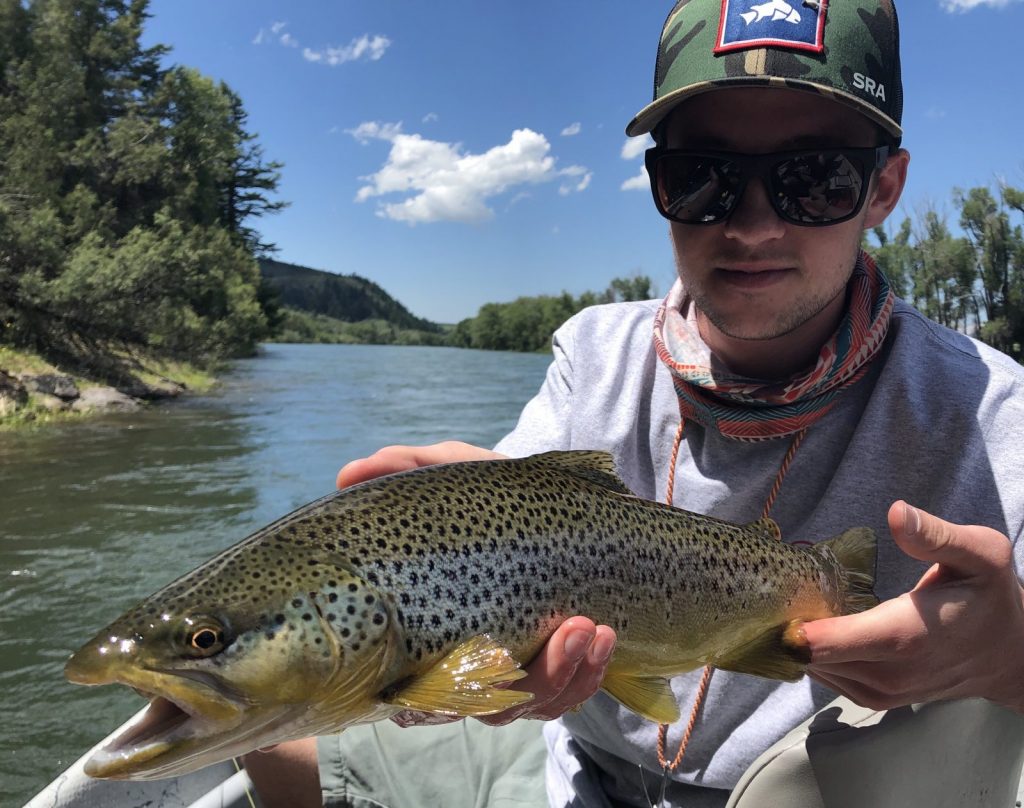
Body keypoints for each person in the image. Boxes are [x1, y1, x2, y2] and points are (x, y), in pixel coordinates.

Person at [244, 1, 1024, 805]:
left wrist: (1011, 659)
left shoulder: (998, 421)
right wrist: (468, 526)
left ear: (884, 187)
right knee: (265, 742)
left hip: (804, 793)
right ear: (658, 180)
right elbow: (516, 524)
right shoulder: (591, 351)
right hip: (575, 772)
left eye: (815, 178)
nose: (752, 226)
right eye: (702, 178)